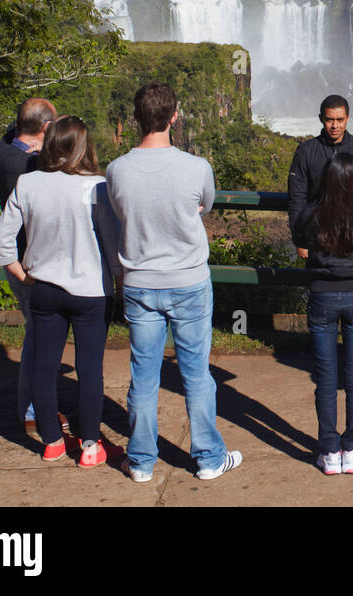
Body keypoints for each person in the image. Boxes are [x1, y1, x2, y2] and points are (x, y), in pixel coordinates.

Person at [106, 82, 241, 482]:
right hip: (189, 282)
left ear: (135, 119)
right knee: (196, 375)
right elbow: (206, 204)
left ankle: (142, 462)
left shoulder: (116, 170)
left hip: (139, 282)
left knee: (143, 376)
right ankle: (209, 459)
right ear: (175, 117)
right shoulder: (197, 167)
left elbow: (118, 212)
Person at [0, 115, 123, 466]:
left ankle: (51, 441)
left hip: (45, 290)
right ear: (83, 147)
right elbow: (114, 244)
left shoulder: (28, 183)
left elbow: (2, 246)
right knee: (90, 371)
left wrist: (24, 274)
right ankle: (91, 446)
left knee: (43, 369)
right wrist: (120, 282)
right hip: (90, 292)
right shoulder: (98, 186)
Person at [287, 95, 353, 375]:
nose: (334, 125)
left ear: (348, 118)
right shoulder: (307, 152)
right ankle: (327, 358)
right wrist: (300, 239)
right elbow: (296, 199)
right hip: (321, 240)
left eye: (340, 119)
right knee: (325, 294)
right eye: (329, 119)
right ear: (321, 118)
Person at [296, 153, 353, 473]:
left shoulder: (311, 215)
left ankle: (330, 452)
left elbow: (302, 247)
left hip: (322, 296)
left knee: (326, 377)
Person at [0, 96, 62, 435]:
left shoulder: (4, 152)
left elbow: (13, 133)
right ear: (45, 128)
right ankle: (34, 411)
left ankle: (35, 407)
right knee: (40, 339)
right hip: (30, 262)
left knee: (37, 334)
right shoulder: (29, 167)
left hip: (19, 259)